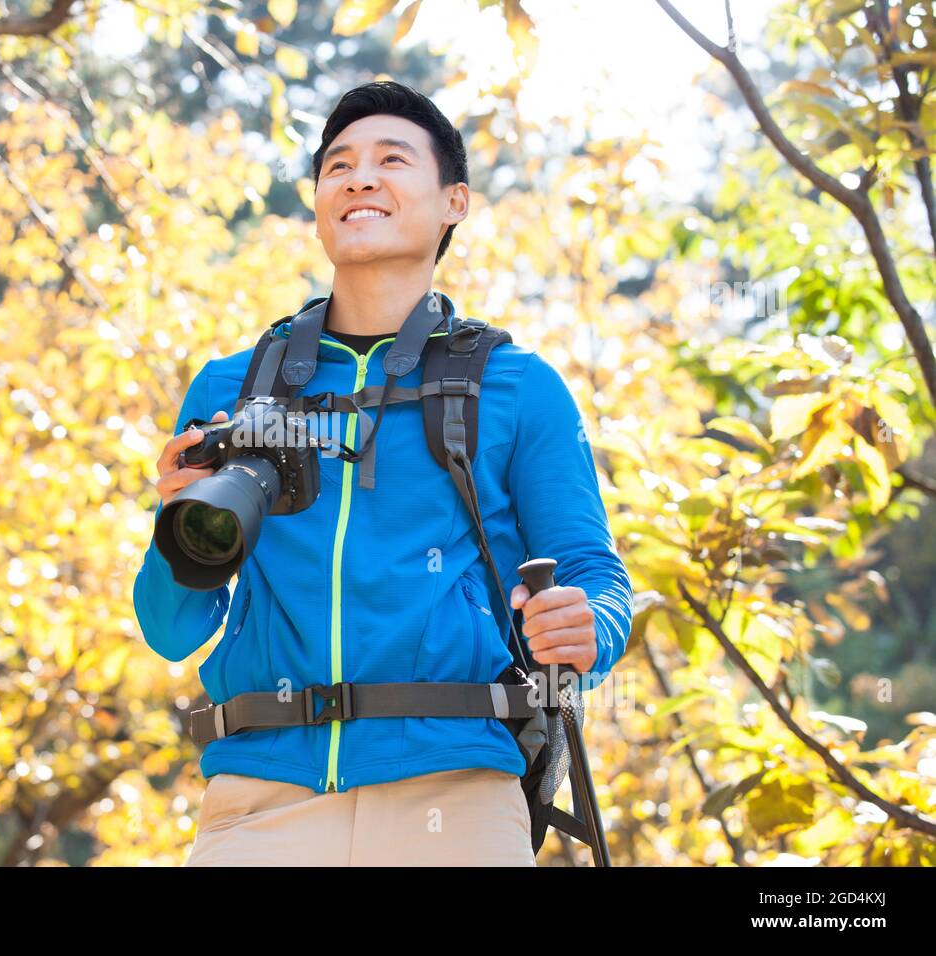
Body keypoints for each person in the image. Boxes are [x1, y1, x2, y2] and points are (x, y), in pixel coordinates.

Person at [132, 80, 633, 866]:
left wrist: (587, 626)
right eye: (338, 166)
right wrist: (181, 530)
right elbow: (170, 630)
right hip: (257, 800)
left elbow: (594, 574)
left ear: (454, 201)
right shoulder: (231, 388)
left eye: (391, 160)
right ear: (321, 202)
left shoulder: (517, 386)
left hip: (456, 794)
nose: (359, 178)